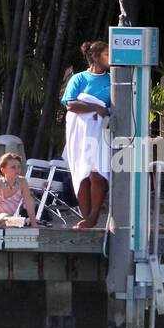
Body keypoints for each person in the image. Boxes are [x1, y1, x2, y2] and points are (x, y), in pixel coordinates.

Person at [62, 40, 112, 229]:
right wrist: (95, 107)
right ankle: (86, 217)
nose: (111, 59)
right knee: (81, 173)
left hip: (100, 132)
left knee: (98, 174)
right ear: (95, 57)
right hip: (80, 132)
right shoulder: (79, 79)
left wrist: (101, 110)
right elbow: (70, 104)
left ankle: (93, 217)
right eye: (107, 54)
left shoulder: (112, 79)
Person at [0, 153, 37, 227]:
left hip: (7, 217)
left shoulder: (22, 181)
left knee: (6, 220)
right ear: (3, 170)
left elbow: (29, 204)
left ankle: (26, 222)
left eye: (19, 167)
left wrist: (34, 223)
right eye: (13, 167)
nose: (17, 170)